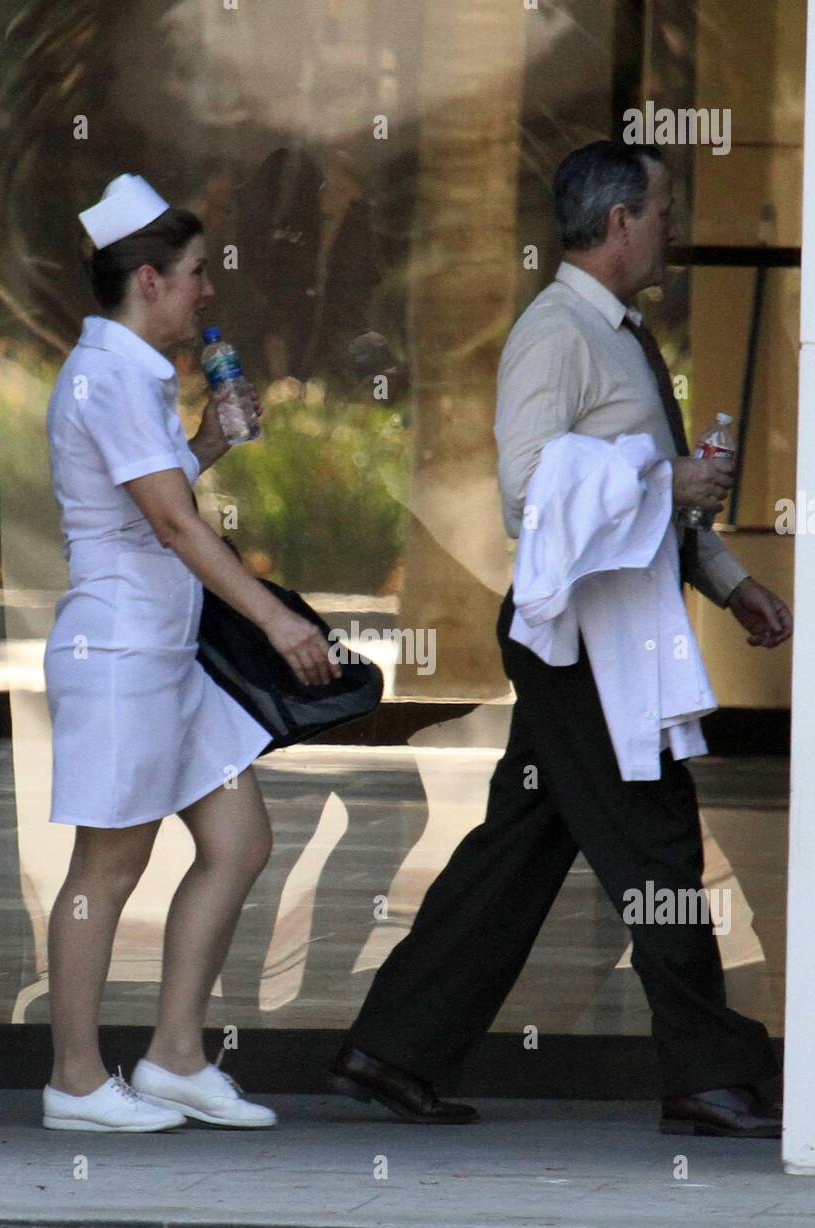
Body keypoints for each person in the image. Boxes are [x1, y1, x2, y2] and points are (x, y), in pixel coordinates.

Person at [328, 140, 792, 1137]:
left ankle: (390, 1049)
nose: (672, 226)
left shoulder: (615, 331)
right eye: (662, 208)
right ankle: (708, 1072)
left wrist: (729, 579)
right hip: (581, 642)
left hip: (605, 630)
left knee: (519, 846)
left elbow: (648, 495)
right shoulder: (554, 335)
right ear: (618, 222)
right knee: (657, 840)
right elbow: (529, 491)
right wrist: (663, 482)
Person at [42, 174, 338, 1132]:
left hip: (161, 653)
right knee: (105, 870)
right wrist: (276, 620)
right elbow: (170, 524)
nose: (210, 291)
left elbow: (155, 492)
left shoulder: (131, 374)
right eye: (198, 273)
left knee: (241, 840)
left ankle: (173, 1057)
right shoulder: (110, 375)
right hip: (123, 652)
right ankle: (76, 1083)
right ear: (149, 281)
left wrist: (208, 440)